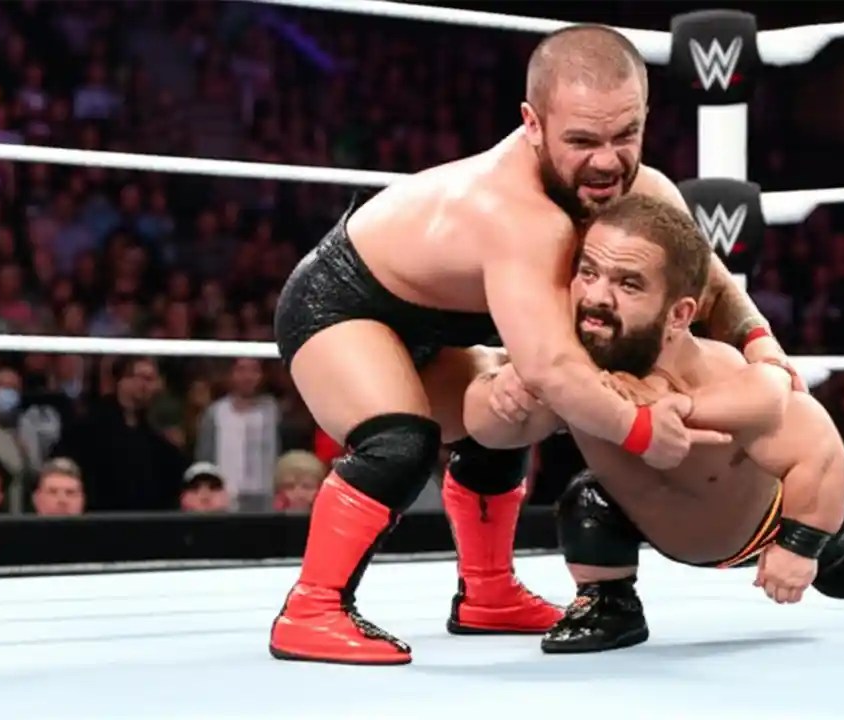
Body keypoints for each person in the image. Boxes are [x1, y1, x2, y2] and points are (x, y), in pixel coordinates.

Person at [269, 25, 799, 666]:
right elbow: (555, 368)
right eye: (581, 140)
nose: (607, 160)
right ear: (533, 124)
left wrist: (760, 343)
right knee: (401, 441)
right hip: (344, 304)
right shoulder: (516, 215)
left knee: (509, 410)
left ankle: (488, 594)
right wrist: (638, 430)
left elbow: (707, 280)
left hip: (442, 327)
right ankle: (312, 607)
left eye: (624, 135)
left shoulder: (644, 191)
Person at [463, 195, 844, 654]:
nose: (597, 296)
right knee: (585, 500)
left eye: (628, 284)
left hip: (760, 528)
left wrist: (801, 543)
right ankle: (608, 603)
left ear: (680, 314)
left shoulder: (726, 378)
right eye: (588, 272)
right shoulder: (570, 371)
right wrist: (504, 395)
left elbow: (816, 443)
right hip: (640, 519)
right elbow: (488, 433)